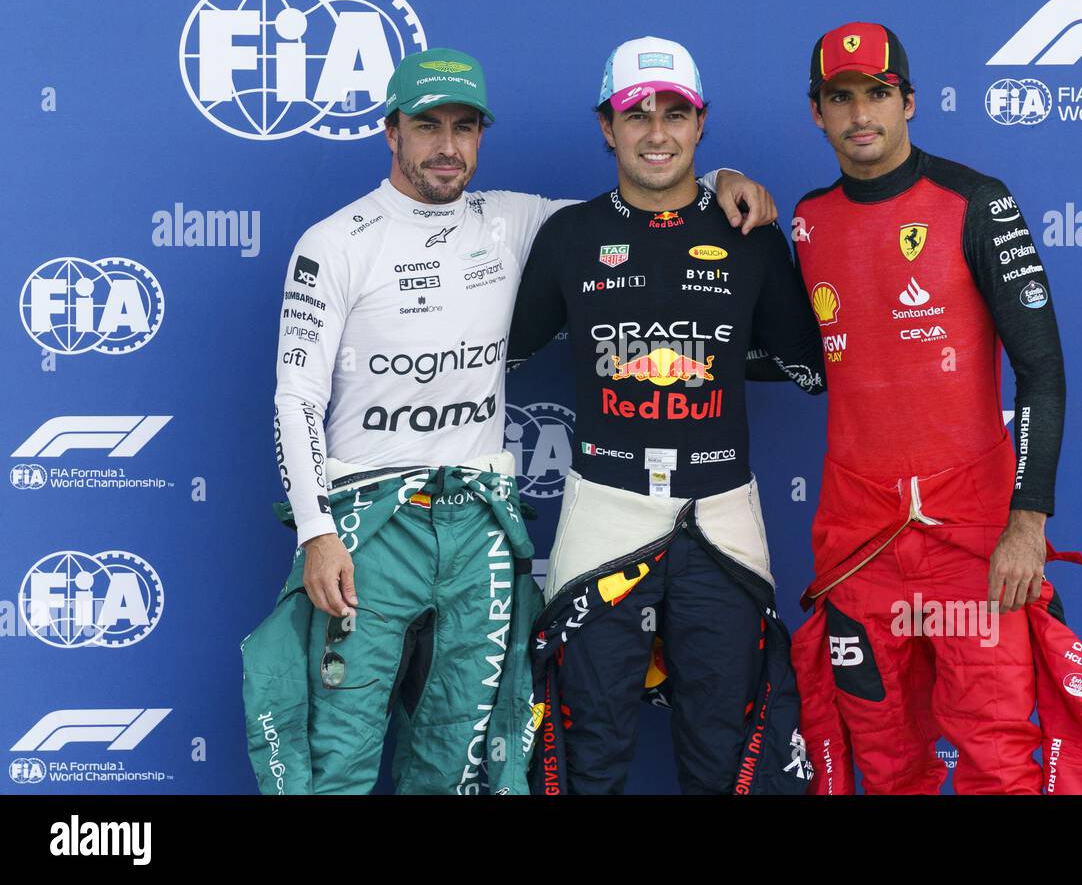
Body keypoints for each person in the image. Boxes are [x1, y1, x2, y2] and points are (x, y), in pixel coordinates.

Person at [240, 46, 776, 795]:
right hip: (367, 526)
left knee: (462, 758)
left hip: (480, 530)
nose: (447, 147)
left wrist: (721, 181)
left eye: (465, 127)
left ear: (483, 136)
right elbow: (293, 399)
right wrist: (316, 532)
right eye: (428, 126)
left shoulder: (516, 222)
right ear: (390, 131)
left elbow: (654, 199)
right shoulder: (335, 242)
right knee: (338, 754)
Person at [787, 22, 1082, 794]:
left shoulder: (975, 201)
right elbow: (798, 355)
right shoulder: (806, 222)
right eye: (841, 98)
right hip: (859, 551)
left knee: (995, 760)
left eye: (877, 94)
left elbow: (1042, 371)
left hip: (975, 549)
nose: (860, 114)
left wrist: (1027, 524)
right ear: (817, 113)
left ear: (909, 102)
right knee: (886, 763)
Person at [508, 37, 826, 795]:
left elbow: (809, 368)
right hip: (604, 510)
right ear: (606, 127)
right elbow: (503, 356)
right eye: (636, 114)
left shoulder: (750, 237)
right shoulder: (568, 236)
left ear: (701, 123)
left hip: (719, 514)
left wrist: (697, 358)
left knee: (729, 749)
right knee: (585, 747)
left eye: (675, 113)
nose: (657, 131)